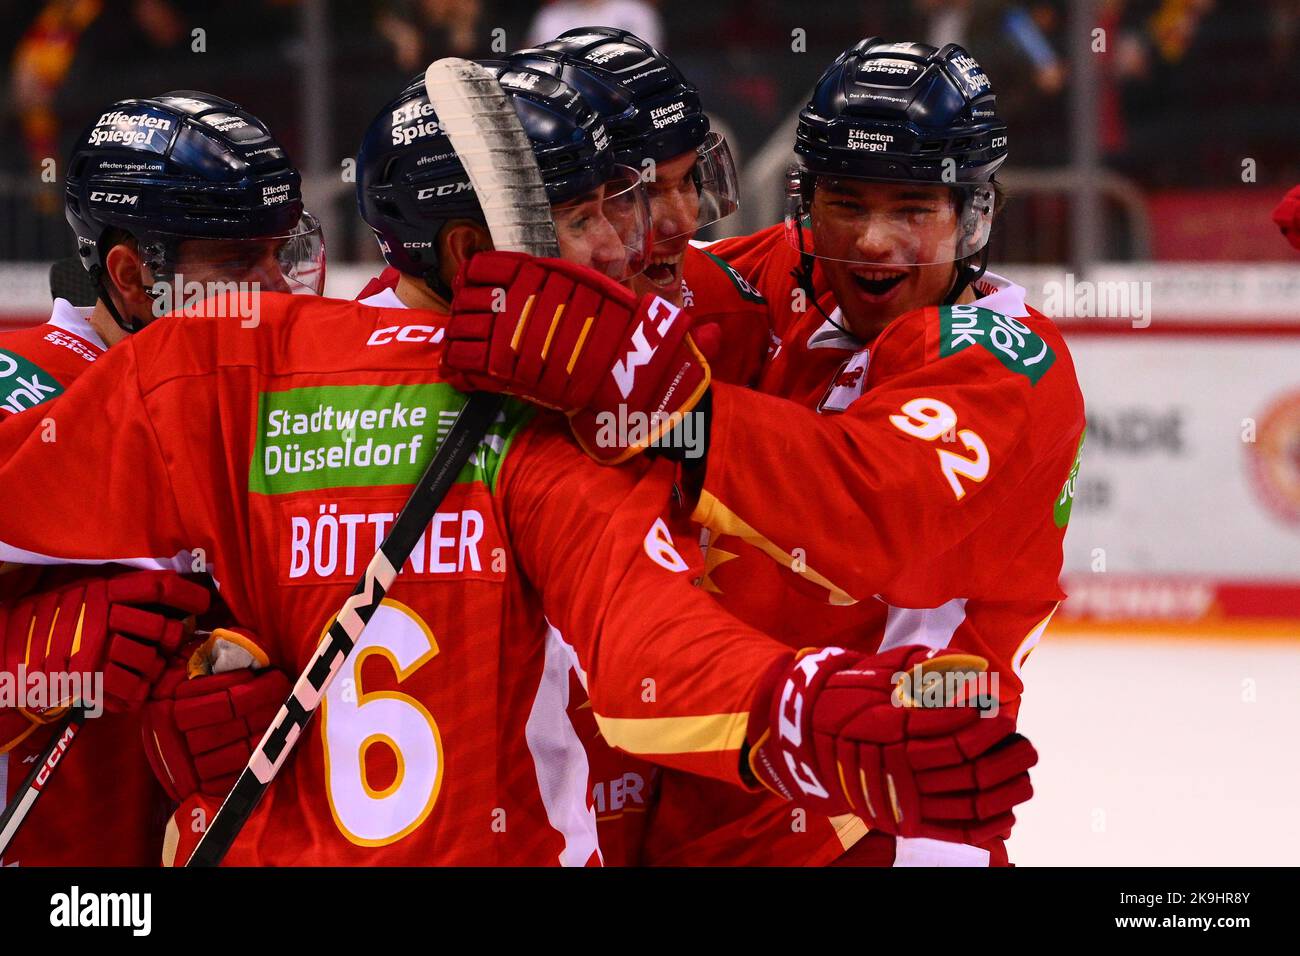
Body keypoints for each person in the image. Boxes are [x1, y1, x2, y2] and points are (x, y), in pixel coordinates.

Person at [438, 38, 1085, 866]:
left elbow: (871, 511)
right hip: (726, 778)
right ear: (804, 201)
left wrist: (666, 405)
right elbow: (630, 287)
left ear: (974, 216)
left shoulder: (1003, 359)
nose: (876, 242)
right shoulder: (777, 278)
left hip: (884, 803)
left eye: (913, 209)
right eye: (846, 203)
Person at [0, 90, 318, 865]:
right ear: (135, 276)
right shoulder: (20, 390)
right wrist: (17, 670)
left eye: (286, 252)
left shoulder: (292, 399)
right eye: (243, 263)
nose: (279, 292)